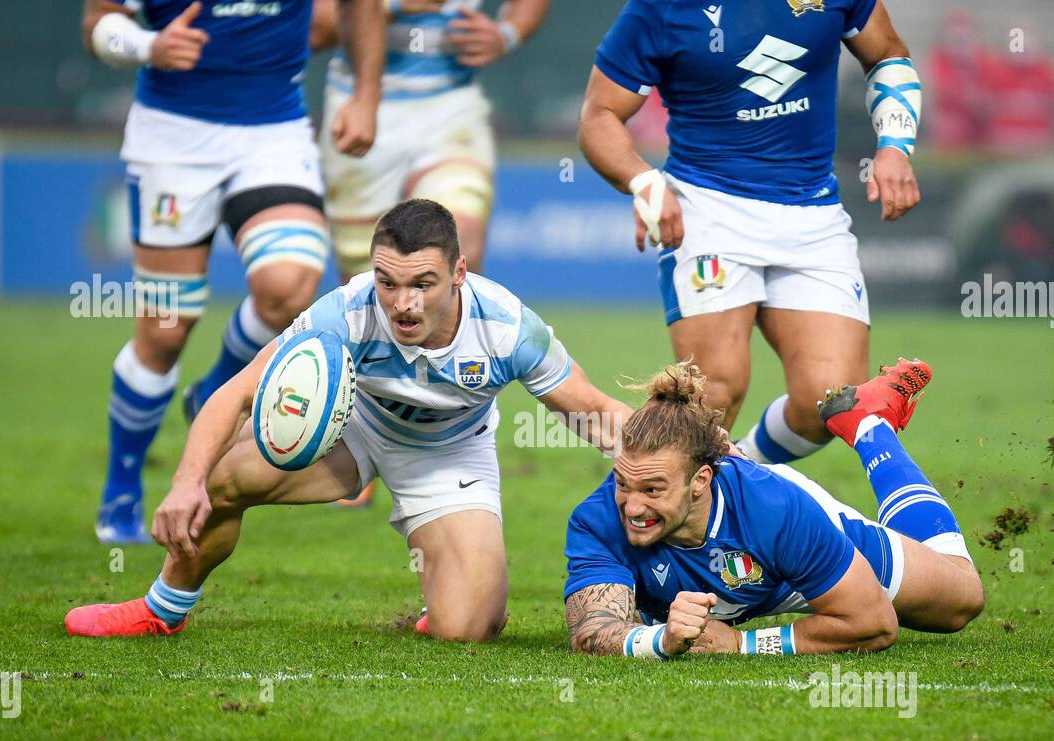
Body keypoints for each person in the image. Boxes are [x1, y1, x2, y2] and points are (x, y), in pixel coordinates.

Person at [66, 199, 633, 643]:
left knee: (470, 629)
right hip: (352, 425)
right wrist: (186, 481)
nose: (402, 303)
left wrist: (698, 450)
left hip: (449, 452)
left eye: (422, 284)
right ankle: (162, 609)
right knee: (221, 479)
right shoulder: (344, 310)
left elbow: (593, 410)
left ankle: (448, 586)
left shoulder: (508, 327)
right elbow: (236, 394)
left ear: (459, 273)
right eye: (388, 282)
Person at [80, 0, 385, 543]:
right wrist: (149, 46)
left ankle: (216, 392)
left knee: (288, 289)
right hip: (171, 138)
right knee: (165, 332)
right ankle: (121, 487)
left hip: (273, 132)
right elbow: (97, 22)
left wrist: (366, 93)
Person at [578, 0, 924, 466]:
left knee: (830, 402)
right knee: (713, 391)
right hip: (707, 207)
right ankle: (635, 516)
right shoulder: (659, 9)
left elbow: (886, 54)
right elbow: (599, 114)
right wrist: (644, 181)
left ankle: (738, 473)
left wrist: (895, 146)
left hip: (813, 212)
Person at [562, 358, 983, 657]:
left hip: (793, 565)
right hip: (755, 556)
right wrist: (662, 640)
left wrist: (743, 644)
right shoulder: (598, 519)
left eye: (653, 490)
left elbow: (874, 624)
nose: (632, 506)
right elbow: (592, 629)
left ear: (700, 482)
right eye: (623, 483)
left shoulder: (776, 509)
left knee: (959, 602)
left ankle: (869, 427)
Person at [310, 0, 551, 509]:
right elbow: (314, 28)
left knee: (458, 245)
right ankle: (362, 430)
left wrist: (508, 33)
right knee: (370, 287)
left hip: (450, 110)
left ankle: (448, 424)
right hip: (358, 105)